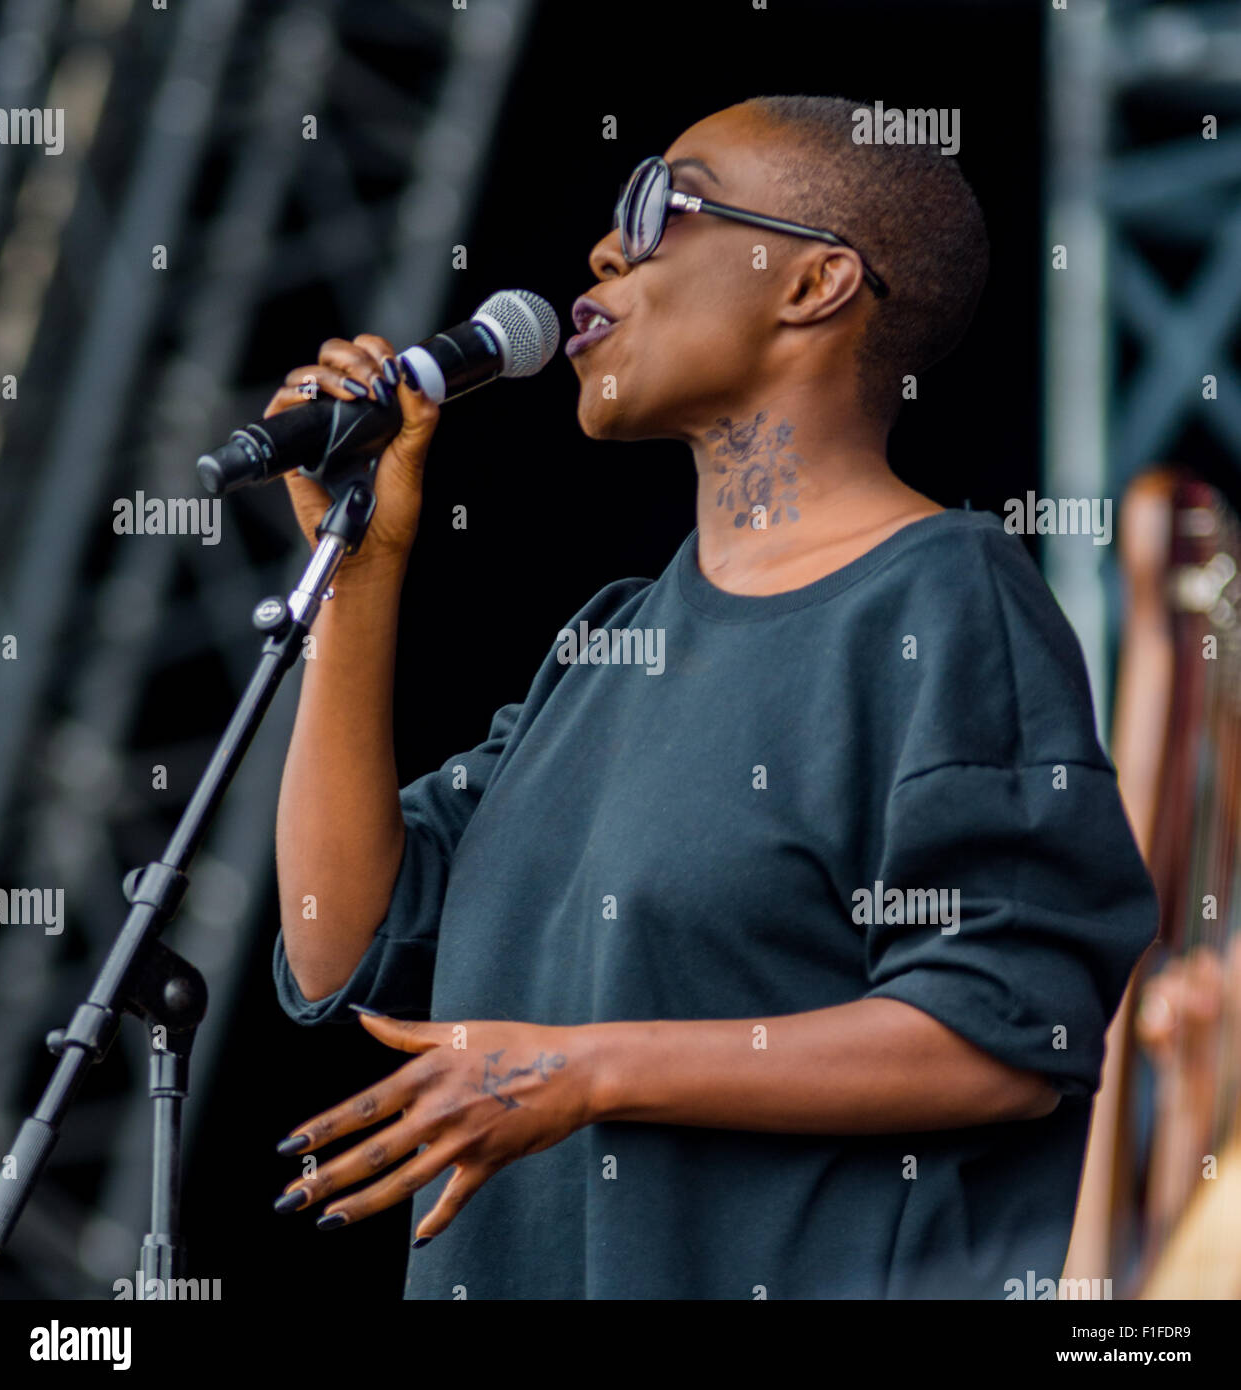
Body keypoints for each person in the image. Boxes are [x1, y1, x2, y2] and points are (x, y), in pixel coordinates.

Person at [267, 95, 1158, 1299]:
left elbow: (1005, 1032)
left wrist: (584, 1072)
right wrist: (358, 583)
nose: (600, 251)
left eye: (655, 204)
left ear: (813, 285)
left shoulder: (945, 601)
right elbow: (338, 936)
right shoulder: (608, 642)